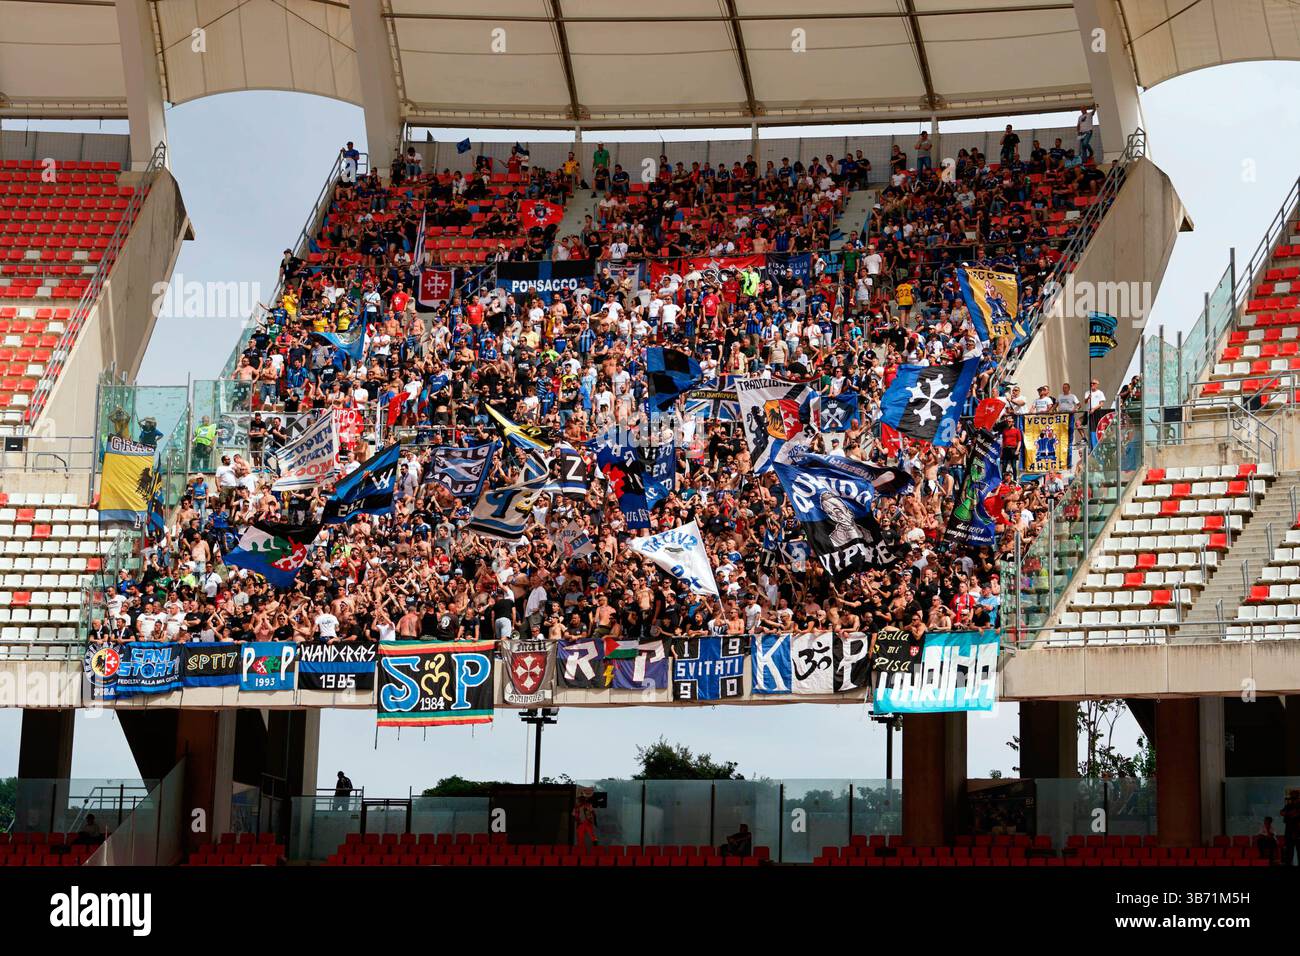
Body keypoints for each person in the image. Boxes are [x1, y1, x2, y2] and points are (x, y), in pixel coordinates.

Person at [1281, 789, 1300, 866]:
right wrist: (1290, 813)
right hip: (1289, 831)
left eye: (1294, 797)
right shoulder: (1288, 805)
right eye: (1291, 797)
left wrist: (1290, 814)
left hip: (1298, 831)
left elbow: (1295, 814)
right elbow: (1281, 812)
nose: (1292, 798)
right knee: (1289, 853)